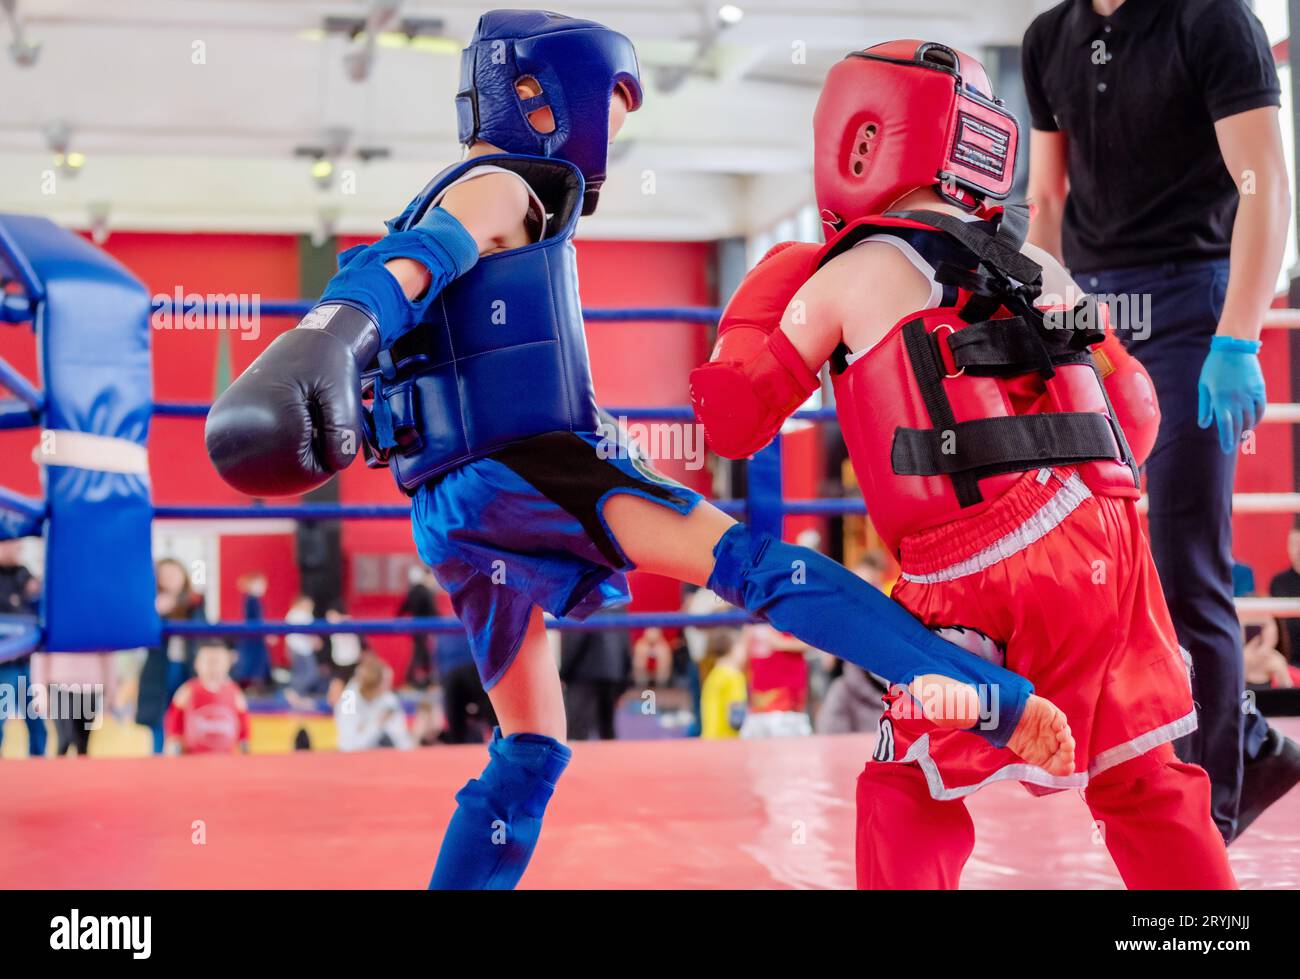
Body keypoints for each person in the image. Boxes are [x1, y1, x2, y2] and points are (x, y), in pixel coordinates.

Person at [205, 10, 1072, 890]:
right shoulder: (499, 184)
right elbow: (411, 262)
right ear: (544, 97)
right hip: (535, 466)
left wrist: (335, 340)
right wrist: (335, 330)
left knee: (531, 749)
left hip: (451, 514)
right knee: (755, 566)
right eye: (612, 104)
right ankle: (992, 699)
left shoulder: (466, 188)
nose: (614, 128)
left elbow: (422, 266)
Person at [692, 39, 1233, 889]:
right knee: (1145, 778)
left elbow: (732, 421)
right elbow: (1137, 416)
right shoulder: (1040, 263)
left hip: (979, 566)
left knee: (909, 780)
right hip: (1115, 542)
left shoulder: (848, 271)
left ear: (857, 138)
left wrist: (759, 304)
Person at [1022, 0, 1300, 843]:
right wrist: (1043, 317)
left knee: (1183, 556)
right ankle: (1250, 740)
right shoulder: (1047, 39)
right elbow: (1043, 198)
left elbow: (1266, 183)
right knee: (1108, 557)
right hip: (1095, 309)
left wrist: (1239, 336)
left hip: (1194, 303)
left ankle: (1208, 809)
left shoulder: (1212, 20)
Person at [137, 558, 205, 753]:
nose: (170, 579)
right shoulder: (151, 603)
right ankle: (157, 758)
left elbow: (202, 633)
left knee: (186, 714)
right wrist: (156, 612)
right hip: (160, 667)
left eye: (174, 573)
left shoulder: (195, 602)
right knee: (159, 718)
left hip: (188, 667)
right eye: (165, 575)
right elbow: (142, 634)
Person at [0, 538, 47, 757]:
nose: (14, 550)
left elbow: (38, 589)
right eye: (9, 545)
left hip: (23, 660)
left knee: (37, 722)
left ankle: (37, 768)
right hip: (5, 661)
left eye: (16, 545)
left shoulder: (22, 573)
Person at [164, 640, 250, 755]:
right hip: (193, 759)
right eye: (208, 661)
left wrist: (244, 747)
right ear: (197, 664)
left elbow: (244, 727)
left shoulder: (234, 692)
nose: (213, 667)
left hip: (226, 760)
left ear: (228, 663)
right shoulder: (188, 691)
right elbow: (174, 724)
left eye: (217, 661)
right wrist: (173, 747)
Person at [559, 627, 629, 741]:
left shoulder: (578, 610)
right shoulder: (617, 611)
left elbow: (575, 643)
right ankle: (612, 758)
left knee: (578, 730)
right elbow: (626, 648)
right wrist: (623, 686)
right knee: (607, 729)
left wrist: (563, 675)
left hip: (584, 676)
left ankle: (579, 758)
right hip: (612, 675)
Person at [334, 652, 414, 751]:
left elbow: (403, 742)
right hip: (355, 758)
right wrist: (377, 723)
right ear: (373, 683)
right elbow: (347, 745)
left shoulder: (388, 699)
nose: (388, 688)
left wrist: (364, 728)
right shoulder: (349, 699)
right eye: (385, 683)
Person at [699, 631, 748, 739]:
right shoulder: (734, 676)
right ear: (733, 650)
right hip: (727, 742)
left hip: (710, 738)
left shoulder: (713, 674)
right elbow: (736, 718)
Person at [231, 572, 271, 691]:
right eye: (260, 584)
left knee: (255, 663)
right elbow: (256, 620)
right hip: (253, 638)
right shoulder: (251, 599)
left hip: (254, 638)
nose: (263, 587)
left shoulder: (252, 600)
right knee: (253, 663)